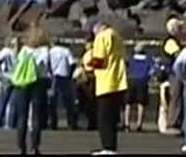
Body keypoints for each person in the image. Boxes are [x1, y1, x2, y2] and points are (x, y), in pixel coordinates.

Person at [86, 19, 128, 156]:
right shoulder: (117, 36)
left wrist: (87, 64)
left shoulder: (102, 37)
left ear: (98, 29)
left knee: (104, 118)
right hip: (118, 80)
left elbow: (99, 60)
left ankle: (107, 147)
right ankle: (111, 146)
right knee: (112, 118)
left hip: (105, 81)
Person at [12, 25, 52, 156]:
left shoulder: (24, 49)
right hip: (38, 82)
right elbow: (45, 66)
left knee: (21, 116)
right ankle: (34, 146)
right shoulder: (45, 50)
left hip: (23, 83)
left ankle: (20, 146)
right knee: (36, 116)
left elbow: (16, 63)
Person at [47, 39, 78, 130]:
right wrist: (70, 75)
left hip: (54, 77)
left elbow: (48, 64)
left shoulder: (50, 51)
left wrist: (50, 73)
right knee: (68, 102)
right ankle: (71, 123)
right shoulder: (66, 51)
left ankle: (53, 123)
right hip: (64, 76)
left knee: (53, 101)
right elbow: (72, 63)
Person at [161, 18, 185, 135]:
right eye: (179, 28)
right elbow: (177, 56)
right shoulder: (170, 41)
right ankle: (172, 123)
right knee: (175, 98)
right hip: (174, 74)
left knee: (178, 98)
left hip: (177, 73)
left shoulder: (174, 41)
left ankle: (176, 122)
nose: (181, 30)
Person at [125, 42, 154, 132]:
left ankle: (127, 123)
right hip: (142, 80)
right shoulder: (148, 59)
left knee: (128, 103)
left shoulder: (131, 58)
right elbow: (152, 70)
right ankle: (139, 124)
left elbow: (127, 67)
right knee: (141, 103)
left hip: (131, 79)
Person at [0, 37, 20, 129]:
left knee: (2, 101)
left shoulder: (0, 54)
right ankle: (10, 123)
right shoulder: (13, 54)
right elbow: (16, 65)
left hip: (4, 77)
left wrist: (0, 73)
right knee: (12, 103)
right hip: (13, 78)